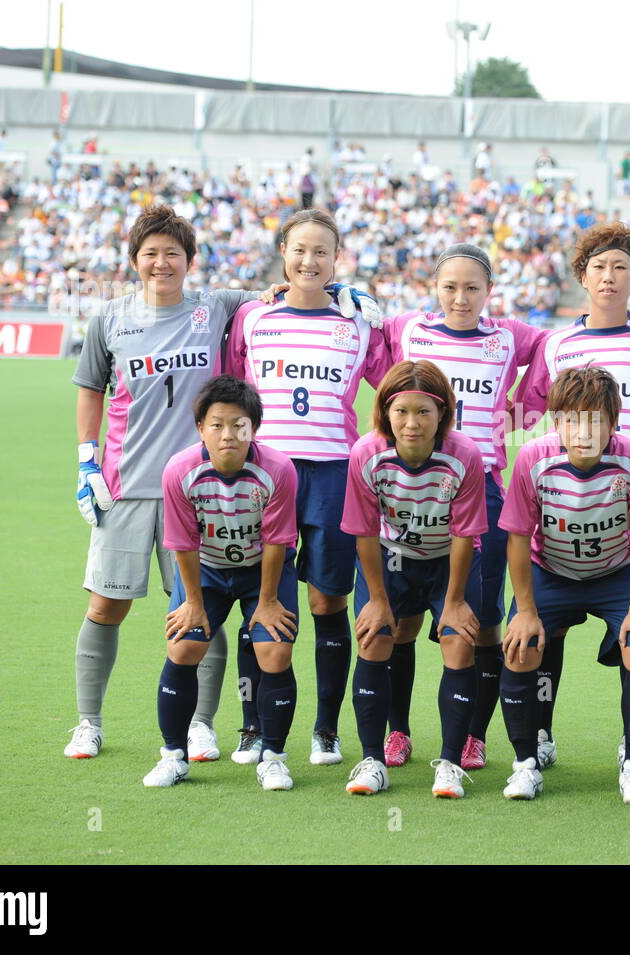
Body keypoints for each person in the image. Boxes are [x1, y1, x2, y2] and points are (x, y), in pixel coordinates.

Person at [67, 204, 263, 762]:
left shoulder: (216, 306)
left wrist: (339, 288)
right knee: (106, 607)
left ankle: (201, 725)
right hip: (125, 486)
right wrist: (86, 460)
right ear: (134, 261)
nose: (161, 263)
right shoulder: (109, 317)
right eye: (150, 254)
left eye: (171, 253)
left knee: (200, 608)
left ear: (190, 261)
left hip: (201, 491)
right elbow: (90, 387)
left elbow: (281, 299)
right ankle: (88, 722)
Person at [514, 221, 630, 768]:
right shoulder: (556, 344)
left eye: (621, 267)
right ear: (582, 276)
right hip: (565, 503)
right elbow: (526, 412)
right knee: (547, 634)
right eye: (599, 267)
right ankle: (540, 737)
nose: (609, 277)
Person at [226, 209, 389, 768]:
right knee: (259, 598)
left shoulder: (358, 322)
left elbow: (394, 381)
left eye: (322, 252)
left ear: (336, 259)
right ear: (282, 253)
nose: (309, 261)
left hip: (332, 474)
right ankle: (252, 726)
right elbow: (232, 390)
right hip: (264, 472)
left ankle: (325, 728)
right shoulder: (253, 316)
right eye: (299, 249)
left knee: (326, 600)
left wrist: (375, 316)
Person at [379, 243, 545, 771]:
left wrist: (512, 418)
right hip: (411, 488)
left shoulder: (510, 337)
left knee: (480, 623)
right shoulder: (407, 329)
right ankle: (397, 732)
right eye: (450, 286)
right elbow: (349, 314)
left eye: (472, 287)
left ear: (489, 291)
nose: (461, 297)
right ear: (434, 286)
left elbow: (556, 350)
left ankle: (474, 736)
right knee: (401, 623)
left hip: (483, 490)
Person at [497, 366, 630, 803]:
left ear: (614, 422)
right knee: (521, 648)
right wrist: (526, 610)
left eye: (596, 419)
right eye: (572, 418)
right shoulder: (533, 458)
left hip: (616, 572)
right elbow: (518, 537)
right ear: (556, 421)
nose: (584, 430)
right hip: (550, 570)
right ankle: (527, 763)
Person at [340, 360, 487, 797]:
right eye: (401, 411)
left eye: (424, 412)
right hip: (391, 557)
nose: (411, 422)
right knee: (378, 634)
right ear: (385, 411)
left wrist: (455, 600)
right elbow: (364, 531)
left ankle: (448, 762)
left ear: (443, 415)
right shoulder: (367, 453)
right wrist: (377, 598)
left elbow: (465, 534)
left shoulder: (464, 455)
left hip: (449, 559)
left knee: (459, 640)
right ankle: (376, 756)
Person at [145, 376, 299, 790]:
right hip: (207, 571)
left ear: (254, 428)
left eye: (239, 424)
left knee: (275, 651)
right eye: (217, 425)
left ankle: (273, 758)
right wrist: (193, 602)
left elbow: (277, 542)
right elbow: (182, 542)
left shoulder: (279, 470)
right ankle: (174, 756)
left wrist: (267, 602)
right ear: (200, 429)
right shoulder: (180, 470)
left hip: (262, 571)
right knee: (185, 644)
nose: (228, 434)